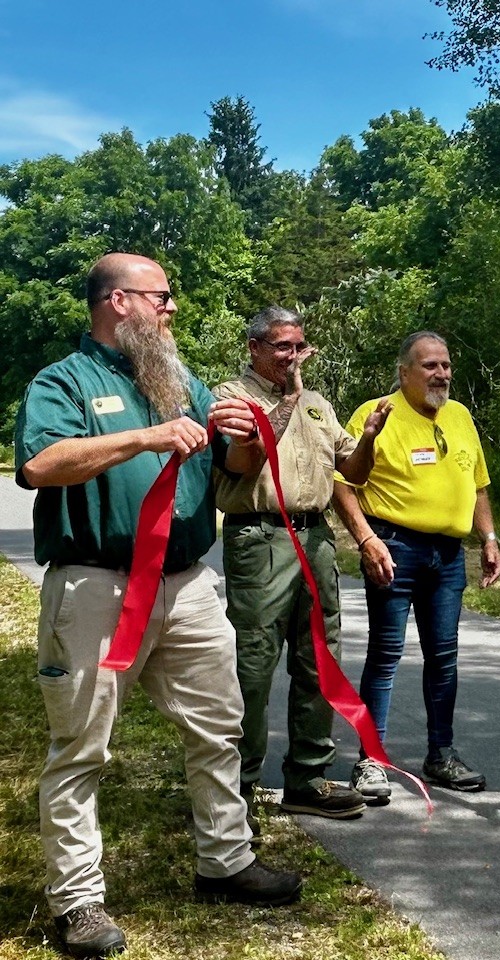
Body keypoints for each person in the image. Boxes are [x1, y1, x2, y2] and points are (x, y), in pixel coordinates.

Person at [15, 253, 302, 959]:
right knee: (81, 747)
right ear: (118, 302)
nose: (172, 308)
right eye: (162, 296)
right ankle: (78, 903)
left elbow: (233, 467)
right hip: (95, 585)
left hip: (187, 582)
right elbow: (40, 464)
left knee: (218, 727)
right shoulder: (63, 380)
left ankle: (225, 861)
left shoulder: (181, 381)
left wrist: (244, 434)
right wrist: (145, 436)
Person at [214, 306, 391, 823]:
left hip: (316, 539)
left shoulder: (317, 404)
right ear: (255, 348)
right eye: (281, 347)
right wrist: (288, 399)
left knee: (319, 661)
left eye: (299, 347)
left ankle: (308, 777)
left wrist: (374, 435)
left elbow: (350, 469)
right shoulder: (231, 398)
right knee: (254, 664)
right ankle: (239, 786)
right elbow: (245, 457)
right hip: (262, 537)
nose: (293, 357)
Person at [332, 331, 500, 800]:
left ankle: (441, 755)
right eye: (429, 366)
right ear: (404, 372)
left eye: (446, 365)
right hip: (394, 547)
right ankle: (370, 760)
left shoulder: (461, 416)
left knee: (444, 658)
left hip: (448, 555)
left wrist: (488, 537)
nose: (441, 374)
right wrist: (366, 540)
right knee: (385, 655)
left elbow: (479, 486)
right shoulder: (375, 414)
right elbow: (342, 483)